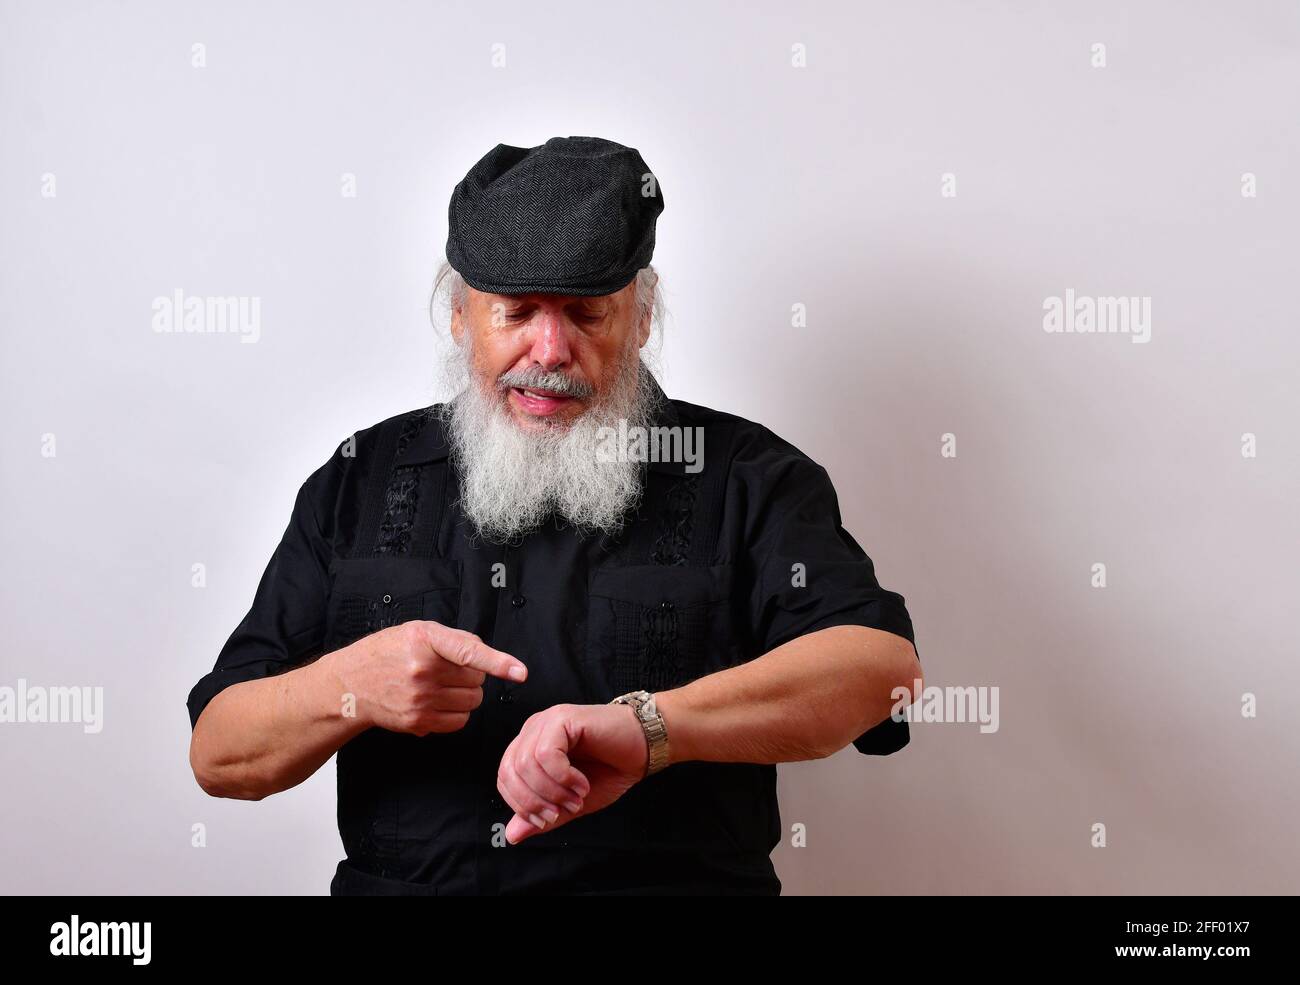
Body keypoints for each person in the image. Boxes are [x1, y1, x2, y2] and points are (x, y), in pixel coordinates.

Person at [186, 135, 923, 895]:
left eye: (587, 313)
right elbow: (219, 752)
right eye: (516, 311)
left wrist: (651, 727)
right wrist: (348, 683)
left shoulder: (749, 475)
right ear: (460, 316)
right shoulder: (358, 478)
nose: (551, 348)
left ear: (641, 317)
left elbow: (881, 672)